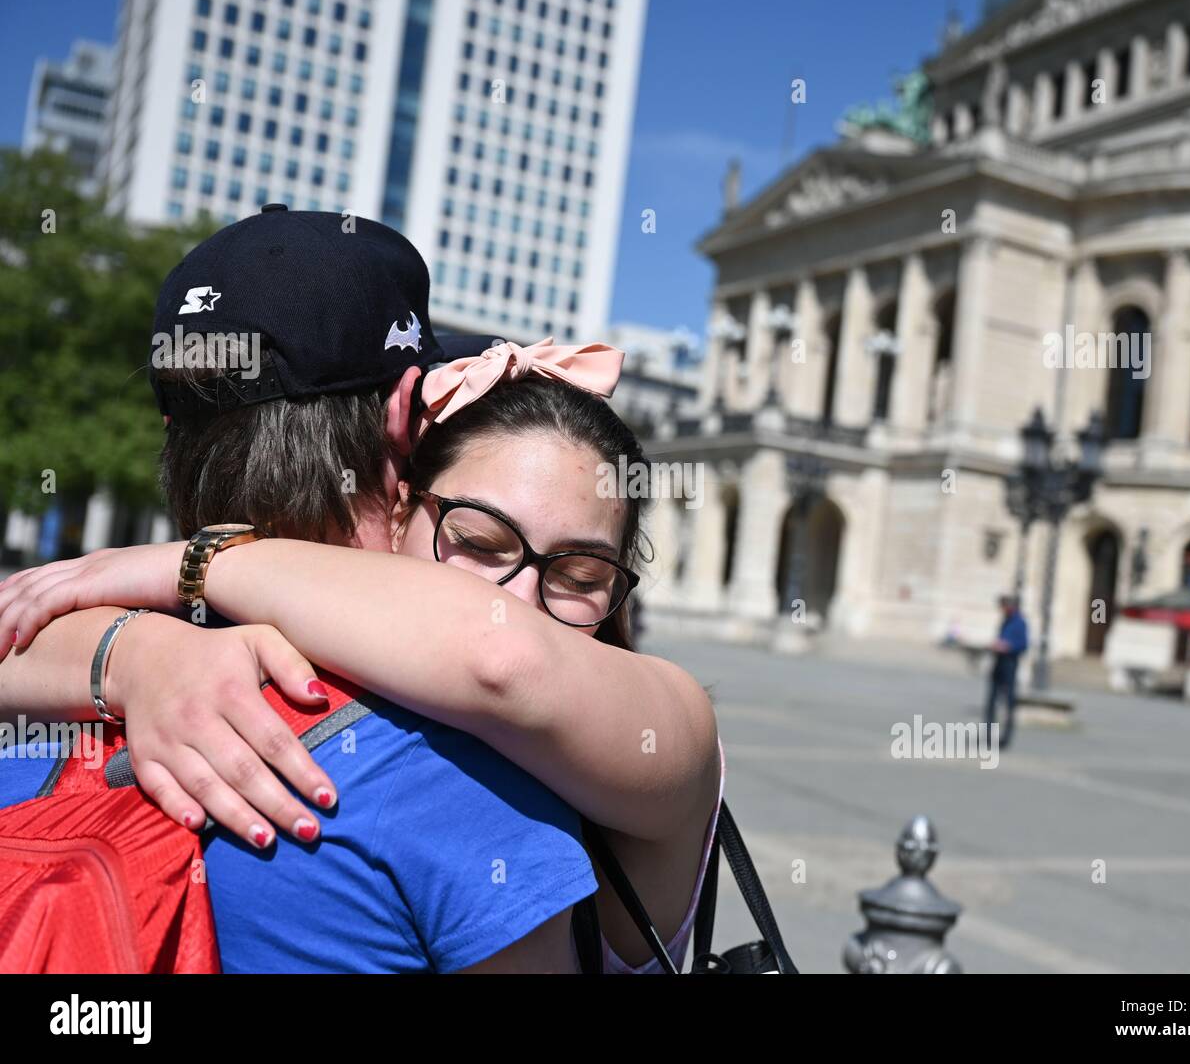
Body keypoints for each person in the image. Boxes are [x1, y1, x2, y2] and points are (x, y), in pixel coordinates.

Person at [0, 207, 721, 972]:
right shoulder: (462, 788)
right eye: (477, 542)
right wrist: (137, 642)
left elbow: (501, 654)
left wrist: (160, 603)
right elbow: (496, 656)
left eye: (581, 575)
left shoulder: (56, 693)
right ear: (406, 448)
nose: (513, 596)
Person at [985, 594, 1029, 750]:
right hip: (999, 665)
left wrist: (1007, 646)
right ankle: (989, 735)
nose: (1002, 609)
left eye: (1004, 606)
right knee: (991, 702)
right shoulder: (1005, 620)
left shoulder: (1020, 622)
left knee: (1008, 703)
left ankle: (1005, 737)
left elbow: (1023, 645)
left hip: (1010, 666)